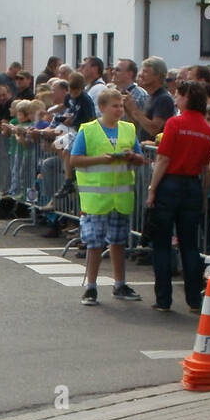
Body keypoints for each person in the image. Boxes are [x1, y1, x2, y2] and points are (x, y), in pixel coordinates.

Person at [69, 86, 147, 305]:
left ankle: (119, 284)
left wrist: (133, 157)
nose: (119, 110)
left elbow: (141, 159)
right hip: (96, 198)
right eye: (115, 106)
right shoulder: (89, 129)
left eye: (121, 106)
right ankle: (91, 287)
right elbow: (75, 160)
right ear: (102, 107)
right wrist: (101, 159)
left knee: (118, 242)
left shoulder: (128, 129)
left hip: (120, 198)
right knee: (94, 243)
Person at [145, 80, 210, 313]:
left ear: (186, 97)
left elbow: (163, 159)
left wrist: (152, 189)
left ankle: (163, 299)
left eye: (178, 94)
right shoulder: (208, 130)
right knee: (190, 244)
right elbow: (207, 167)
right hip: (193, 186)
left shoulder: (175, 123)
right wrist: (203, 195)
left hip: (170, 183)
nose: (175, 98)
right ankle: (194, 299)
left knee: (162, 243)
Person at [125, 56, 174, 139]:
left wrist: (135, 110)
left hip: (153, 150)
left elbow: (154, 130)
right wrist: (128, 109)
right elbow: (140, 125)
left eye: (145, 71)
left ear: (158, 75)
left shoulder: (163, 99)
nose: (140, 75)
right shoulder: (151, 97)